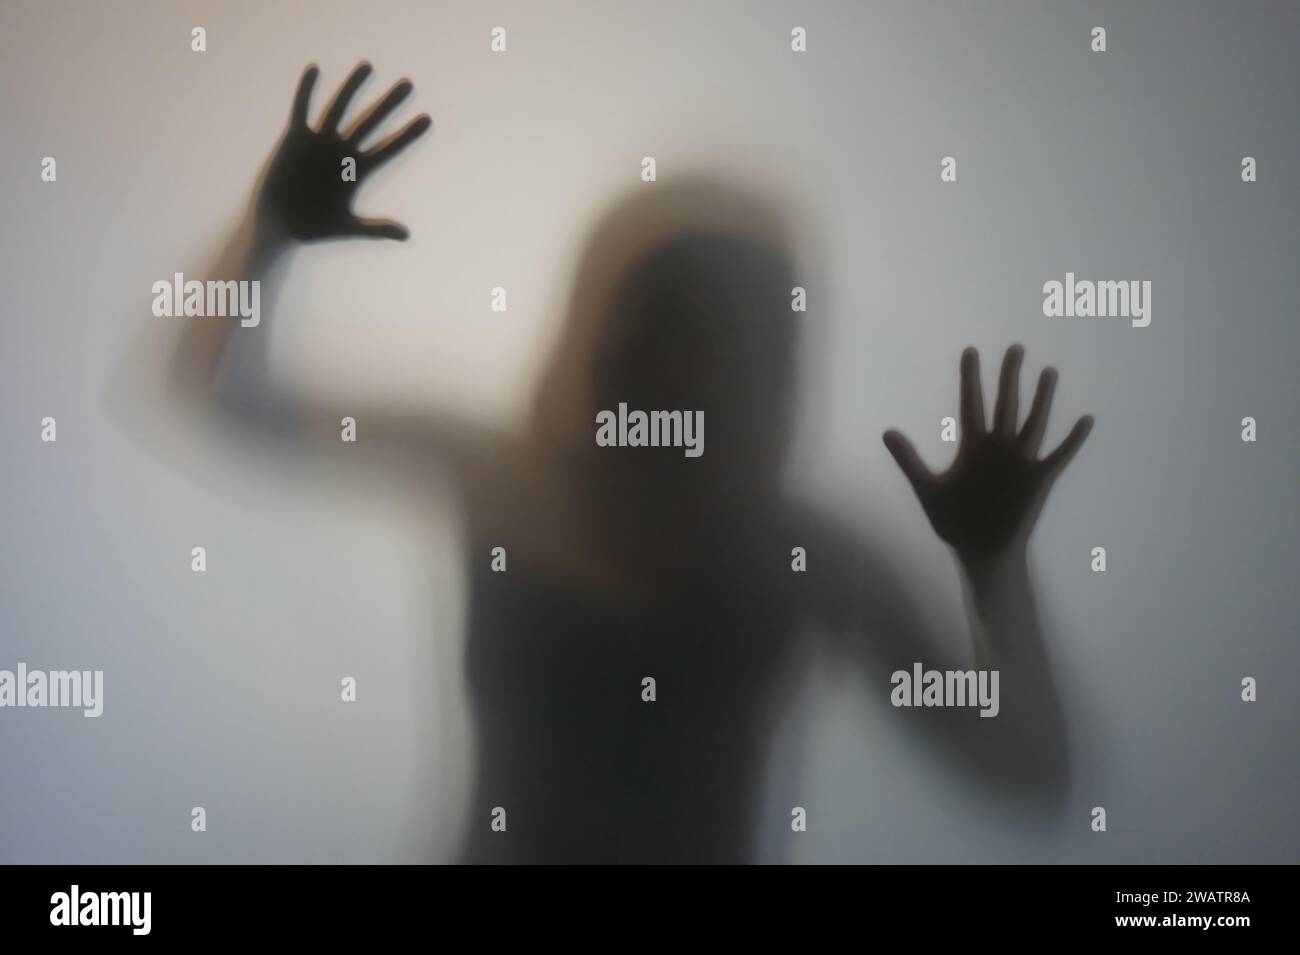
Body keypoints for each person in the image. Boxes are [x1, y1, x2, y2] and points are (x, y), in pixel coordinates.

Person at [136, 63, 1093, 863]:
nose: (653, 357)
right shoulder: (500, 475)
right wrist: (265, 234)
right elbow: (219, 399)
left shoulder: (802, 558)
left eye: (693, 328)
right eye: (638, 313)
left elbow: (1026, 776)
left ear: (760, 365)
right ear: (586, 323)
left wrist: (994, 573)